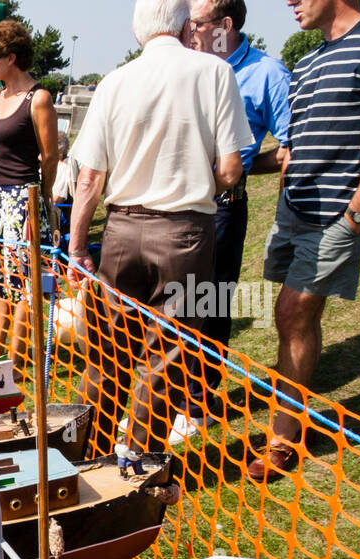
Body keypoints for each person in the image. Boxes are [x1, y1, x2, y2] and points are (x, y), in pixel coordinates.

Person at [67, 0, 251, 454]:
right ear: (188, 27)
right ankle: (141, 465)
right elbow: (231, 171)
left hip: (121, 231)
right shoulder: (214, 72)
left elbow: (89, 177)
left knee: (107, 356)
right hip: (186, 235)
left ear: (137, 36)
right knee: (166, 357)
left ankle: (91, 452)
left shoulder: (113, 82)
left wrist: (76, 245)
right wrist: (191, 178)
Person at [248, 0, 360, 480]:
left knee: (291, 312)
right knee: (294, 320)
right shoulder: (305, 63)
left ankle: (284, 440)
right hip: (294, 212)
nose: (290, 2)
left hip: (339, 214)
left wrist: (358, 213)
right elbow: (291, 149)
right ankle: (293, 423)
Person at [167, 0, 292, 445]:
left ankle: (196, 404)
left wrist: (239, 168)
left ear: (224, 25)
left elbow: (290, 144)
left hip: (220, 206)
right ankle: (165, 397)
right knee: (170, 302)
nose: (189, 30)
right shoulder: (187, 65)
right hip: (173, 200)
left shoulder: (267, 73)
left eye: (196, 23)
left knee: (208, 302)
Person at [0, 19, 59, 366]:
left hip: (23, 200)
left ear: (11, 58)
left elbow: (50, 157)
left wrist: (43, 199)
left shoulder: (39, 99)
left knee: (23, 282)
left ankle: (16, 360)